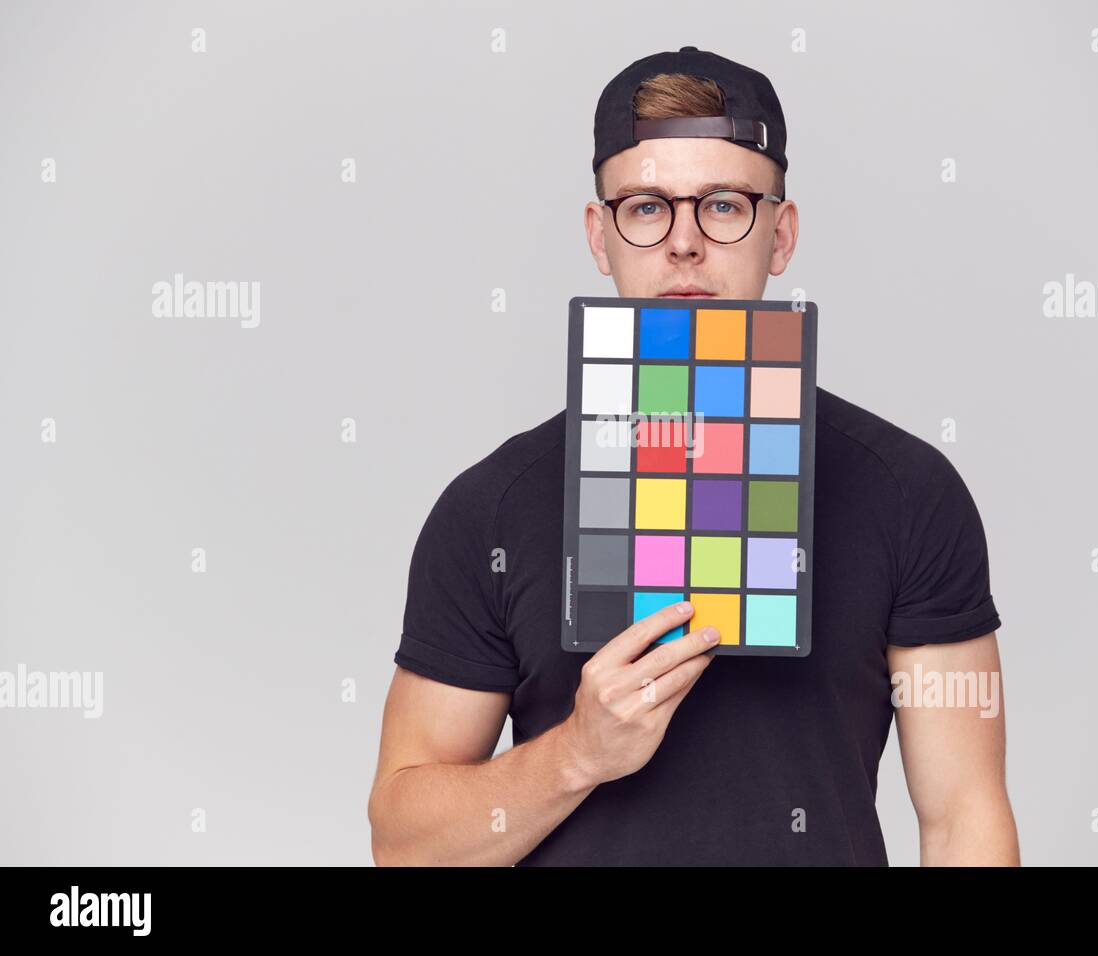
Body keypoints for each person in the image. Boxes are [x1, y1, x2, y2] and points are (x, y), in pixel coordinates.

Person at [368, 46, 1019, 866]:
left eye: (721, 204)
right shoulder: (489, 507)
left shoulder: (909, 491)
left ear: (779, 235)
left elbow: (964, 820)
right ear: (600, 236)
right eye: (646, 207)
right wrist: (578, 753)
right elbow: (403, 844)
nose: (683, 244)